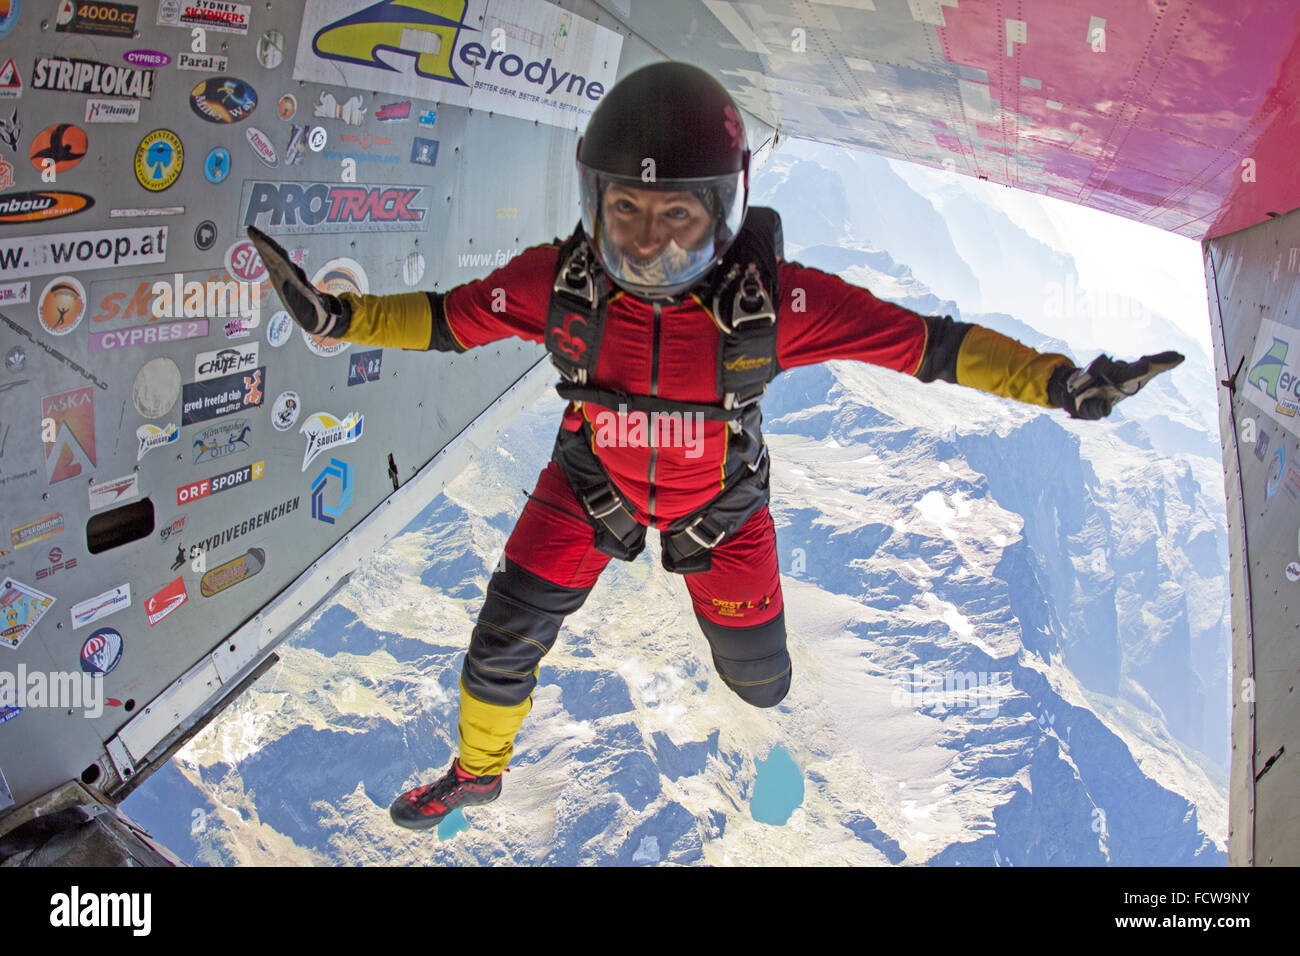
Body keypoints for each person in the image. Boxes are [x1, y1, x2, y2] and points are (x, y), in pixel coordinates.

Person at [248, 61, 1183, 831]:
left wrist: (1061, 382)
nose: (649, 242)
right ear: (595, 203)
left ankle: (720, 674)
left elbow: (928, 344)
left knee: (761, 685)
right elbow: (449, 320)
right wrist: (338, 316)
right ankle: (479, 773)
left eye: (676, 217)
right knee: (497, 652)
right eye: (628, 213)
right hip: (591, 487)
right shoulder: (562, 285)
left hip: (717, 511)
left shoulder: (774, 305)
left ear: (722, 209)